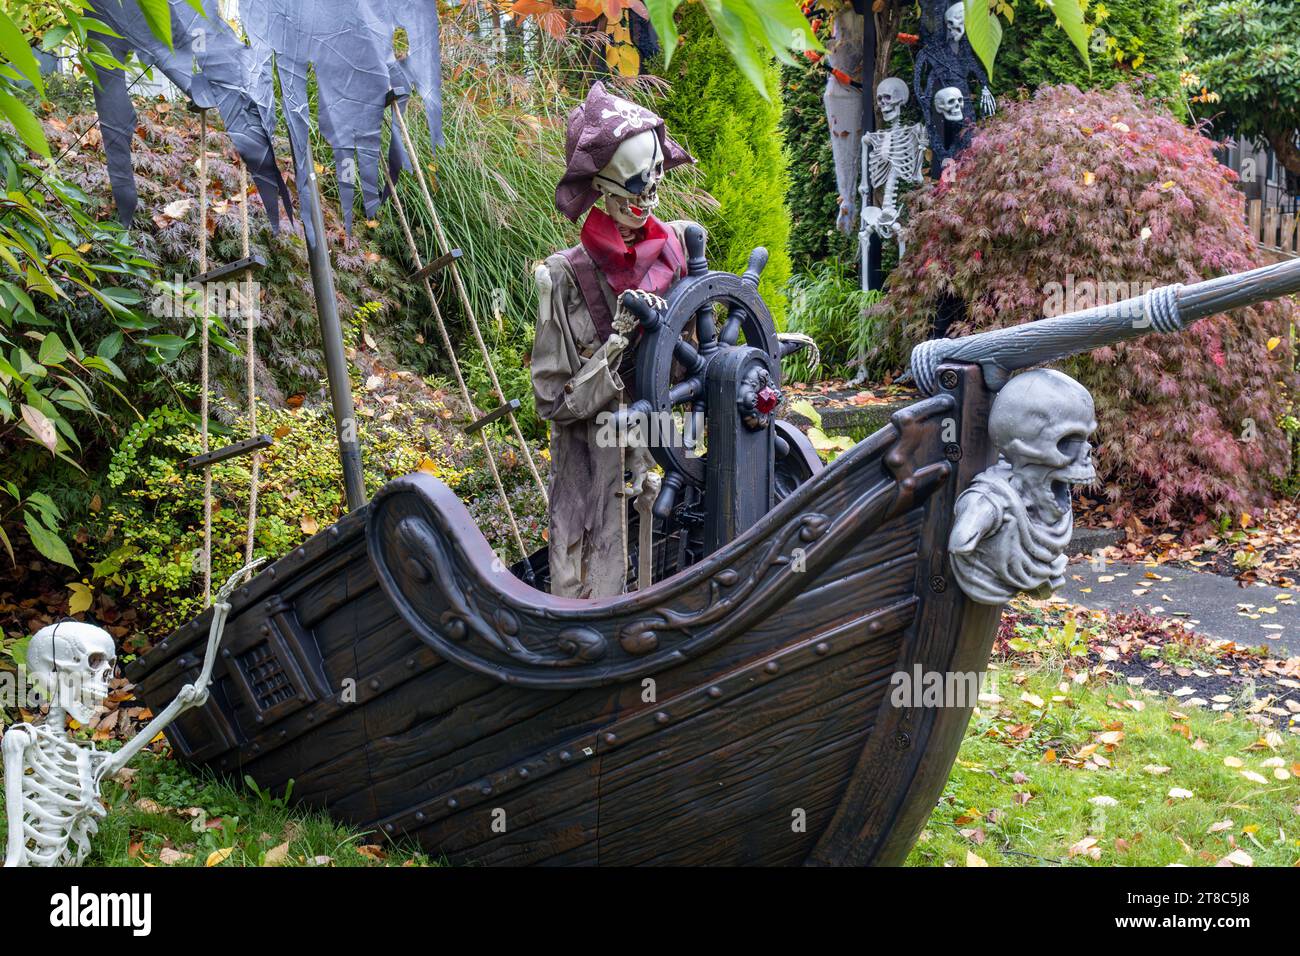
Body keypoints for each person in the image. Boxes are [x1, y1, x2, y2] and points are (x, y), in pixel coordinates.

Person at [531, 82, 699, 598]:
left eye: (654, 181)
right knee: (590, 596)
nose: (648, 197)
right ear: (600, 187)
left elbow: (702, 360)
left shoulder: (682, 249)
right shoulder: (561, 277)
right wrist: (617, 343)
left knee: (672, 584)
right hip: (591, 470)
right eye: (633, 186)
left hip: (665, 465)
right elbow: (552, 400)